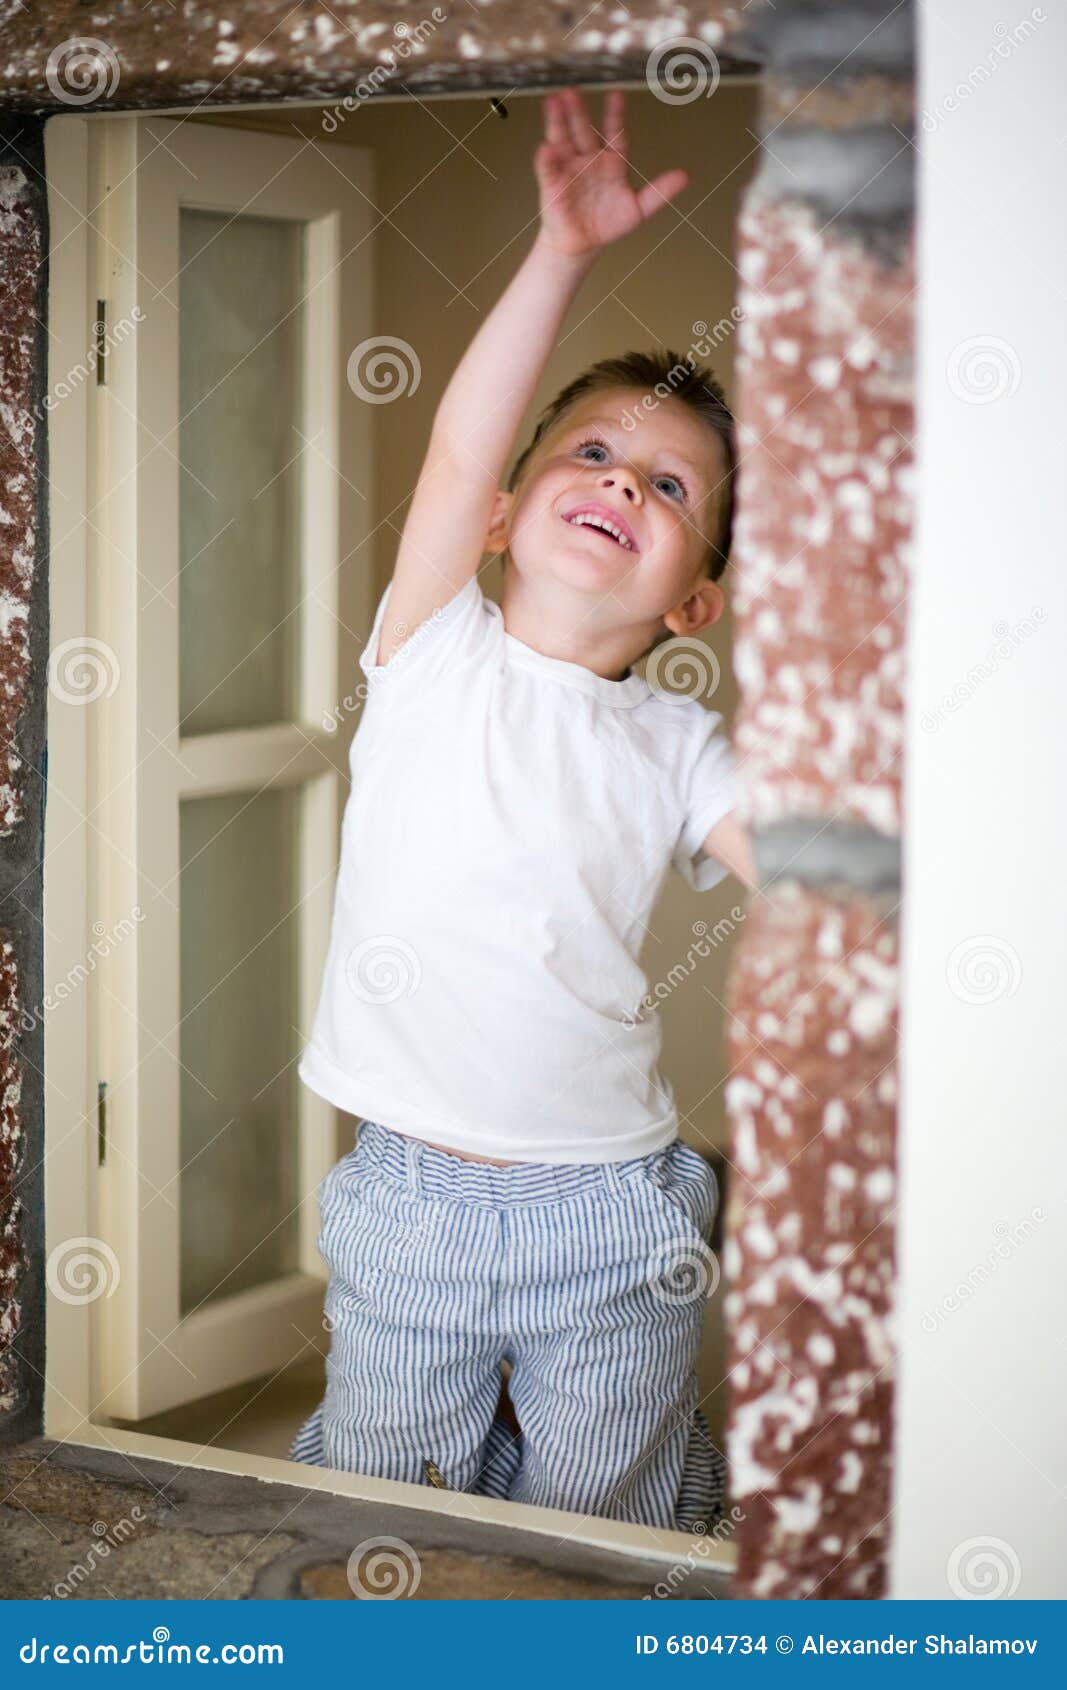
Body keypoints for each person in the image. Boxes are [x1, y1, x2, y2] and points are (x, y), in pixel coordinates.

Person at [289, 87, 756, 1533]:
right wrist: (559, 255)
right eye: (590, 455)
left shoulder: (683, 741)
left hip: (612, 1212)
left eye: (670, 484)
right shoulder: (434, 648)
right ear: (502, 514)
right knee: (384, 1503)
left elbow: (809, 869)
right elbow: (453, 445)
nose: (621, 478)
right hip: (407, 1193)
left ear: (694, 596)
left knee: (595, 1524)